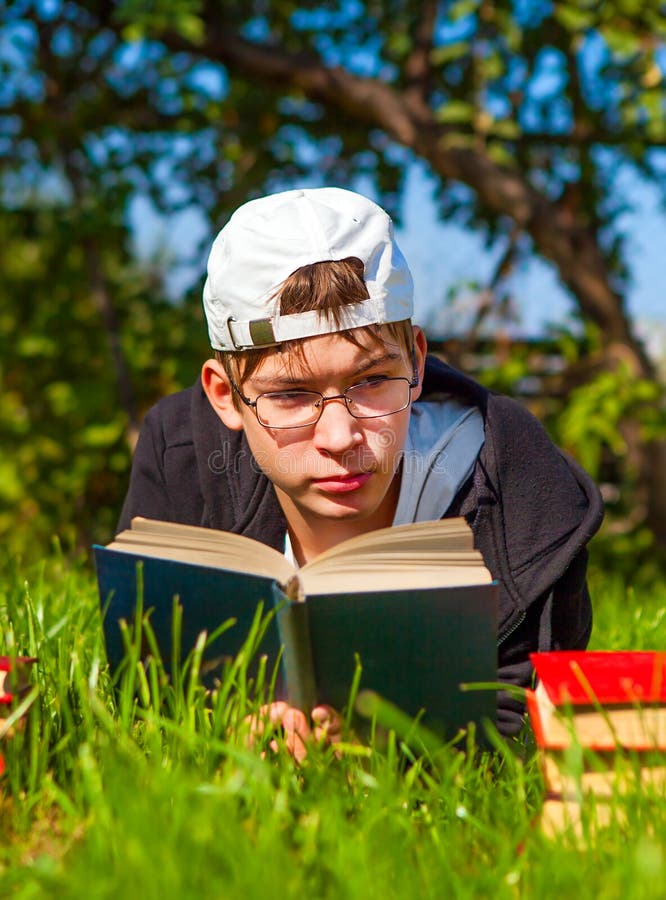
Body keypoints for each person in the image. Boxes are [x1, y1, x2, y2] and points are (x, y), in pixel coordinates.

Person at [118, 186, 604, 747]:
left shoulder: (518, 488)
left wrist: (380, 750)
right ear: (225, 395)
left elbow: (522, 725)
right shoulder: (181, 457)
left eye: (371, 382)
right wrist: (225, 733)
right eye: (291, 395)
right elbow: (142, 688)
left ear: (417, 362)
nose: (340, 435)